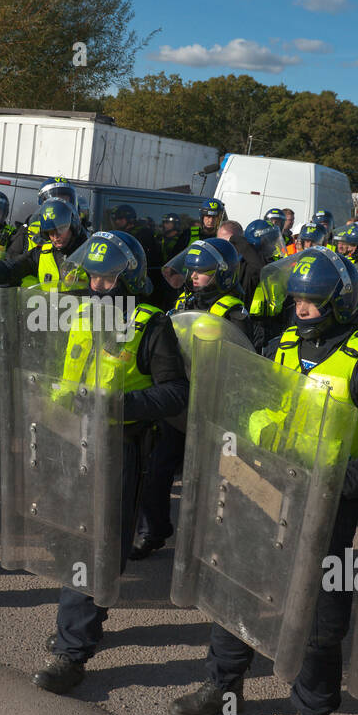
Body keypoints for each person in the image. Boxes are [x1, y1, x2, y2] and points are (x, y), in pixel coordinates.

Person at [170, 248, 358, 715]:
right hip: (268, 484)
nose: (301, 309)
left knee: (319, 615)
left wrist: (338, 482)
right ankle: (223, 684)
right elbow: (254, 401)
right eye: (296, 299)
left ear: (339, 301)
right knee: (239, 581)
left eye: (312, 301)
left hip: (327, 502)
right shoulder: (283, 346)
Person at [32, 231, 189, 693]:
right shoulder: (78, 310)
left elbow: (175, 392)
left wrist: (118, 404)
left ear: (130, 279)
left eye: (108, 278)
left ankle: (72, 649)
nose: (98, 285)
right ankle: (83, 618)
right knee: (63, 535)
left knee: (95, 544)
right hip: (67, 437)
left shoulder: (150, 324)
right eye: (94, 276)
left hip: (117, 444)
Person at [132, 239, 261, 561]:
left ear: (222, 273)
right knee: (157, 469)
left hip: (215, 405)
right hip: (179, 401)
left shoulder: (233, 312)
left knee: (206, 479)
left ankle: (204, 543)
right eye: (191, 270)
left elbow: (244, 361)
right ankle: (152, 531)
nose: (193, 276)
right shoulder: (184, 300)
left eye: (202, 271)